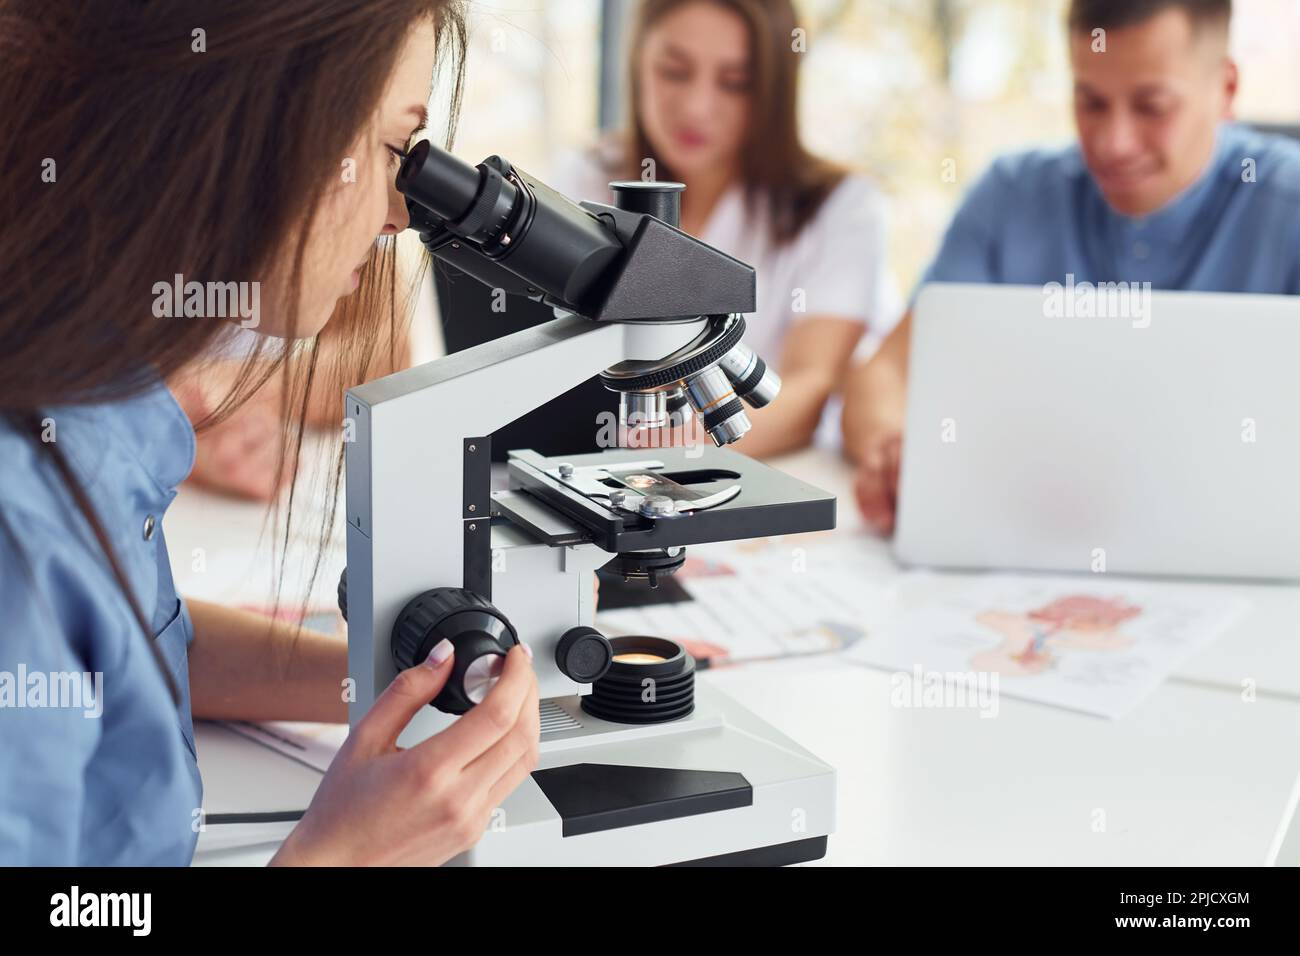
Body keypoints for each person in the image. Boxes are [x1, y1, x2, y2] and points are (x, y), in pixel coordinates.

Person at [0, 0, 540, 866]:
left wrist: (415, 684)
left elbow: (128, 646)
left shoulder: (93, 393)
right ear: (249, 131)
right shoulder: (20, 514)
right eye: (394, 152)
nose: (402, 215)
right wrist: (341, 856)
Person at [842, 0, 1300, 534]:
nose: (1113, 143)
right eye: (1091, 102)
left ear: (1225, 88)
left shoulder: (1287, 207)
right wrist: (898, 456)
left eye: (1152, 106)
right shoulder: (1010, 196)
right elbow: (885, 375)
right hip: (1024, 539)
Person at [551, 0, 896, 458]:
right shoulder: (585, 178)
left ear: (775, 91)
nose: (697, 107)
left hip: (761, 461)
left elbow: (810, 385)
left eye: (736, 84)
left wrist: (686, 445)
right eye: (674, 71)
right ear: (638, 61)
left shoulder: (841, 207)